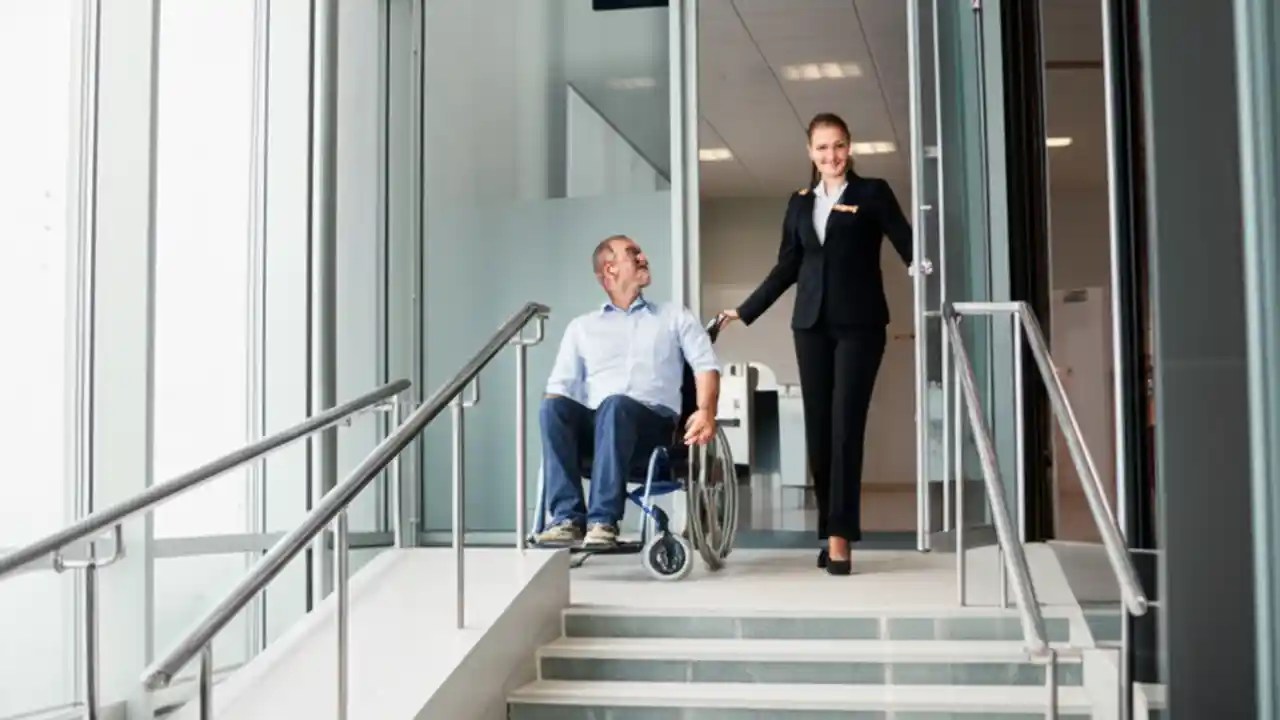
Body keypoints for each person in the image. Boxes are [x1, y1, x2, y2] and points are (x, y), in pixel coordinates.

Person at [719, 112, 913, 575]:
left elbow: (908, 242)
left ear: (850, 148)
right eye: (823, 148)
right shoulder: (800, 202)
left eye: (839, 146)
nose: (832, 156)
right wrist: (744, 310)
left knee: (847, 426)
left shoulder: (873, 193)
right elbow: (787, 267)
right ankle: (829, 530)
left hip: (860, 326)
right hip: (810, 326)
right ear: (810, 153)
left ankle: (842, 539)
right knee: (820, 431)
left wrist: (922, 268)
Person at [536, 235, 721, 549]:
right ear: (609, 270)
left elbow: (706, 366)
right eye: (633, 253)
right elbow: (559, 388)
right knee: (552, 408)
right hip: (598, 434)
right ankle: (567, 518)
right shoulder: (582, 327)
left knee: (616, 405)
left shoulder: (674, 316)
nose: (643, 257)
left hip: (653, 432)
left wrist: (705, 410)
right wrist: (557, 408)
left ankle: (603, 520)